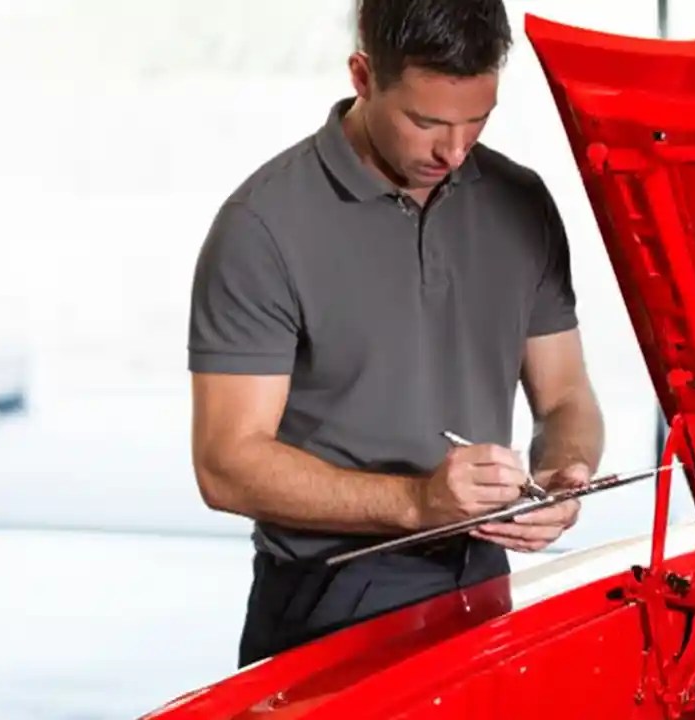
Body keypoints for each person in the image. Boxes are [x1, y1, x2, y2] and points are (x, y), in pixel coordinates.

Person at [186, 0, 604, 667]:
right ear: (362, 76)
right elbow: (225, 465)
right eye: (426, 121)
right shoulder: (260, 227)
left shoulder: (521, 202)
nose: (455, 150)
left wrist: (564, 474)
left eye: (478, 119)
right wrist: (417, 502)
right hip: (325, 608)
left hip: (484, 590)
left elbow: (565, 397)